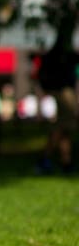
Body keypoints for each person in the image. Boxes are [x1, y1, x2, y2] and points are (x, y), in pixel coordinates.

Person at [35, 36, 79, 174]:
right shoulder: (63, 56)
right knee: (60, 129)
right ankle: (46, 160)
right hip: (63, 93)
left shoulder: (54, 55)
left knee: (63, 130)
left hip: (59, 92)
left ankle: (65, 161)